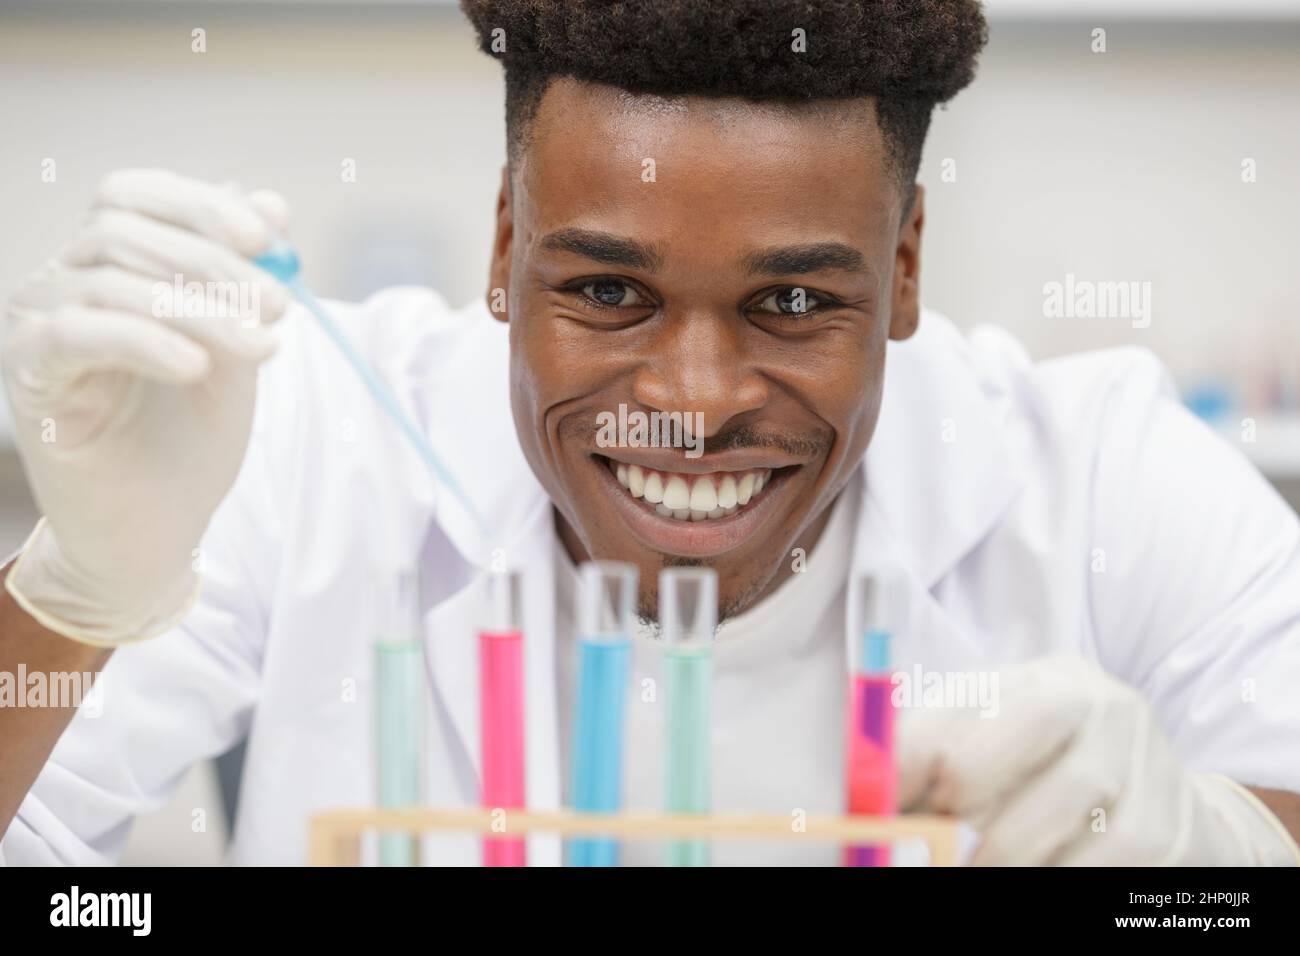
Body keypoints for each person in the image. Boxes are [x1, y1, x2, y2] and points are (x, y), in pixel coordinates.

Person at [1, 0, 1297, 866]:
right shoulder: (305, 439)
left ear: (904, 269)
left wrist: (1198, 859)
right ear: (506, 246)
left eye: (791, 302)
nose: (690, 396)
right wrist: (72, 595)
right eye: (609, 293)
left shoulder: (1112, 482)